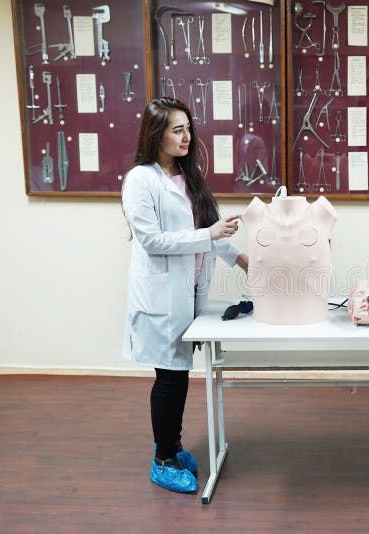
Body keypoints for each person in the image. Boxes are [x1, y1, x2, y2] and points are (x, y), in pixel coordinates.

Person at [121, 97, 249, 493]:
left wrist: (248, 263)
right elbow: (153, 240)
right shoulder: (141, 180)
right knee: (170, 378)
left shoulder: (188, 176)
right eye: (177, 129)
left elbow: (212, 230)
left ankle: (173, 447)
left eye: (188, 129)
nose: (186, 136)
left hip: (188, 293)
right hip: (161, 297)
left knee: (179, 375)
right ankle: (162, 458)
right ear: (155, 133)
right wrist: (208, 235)